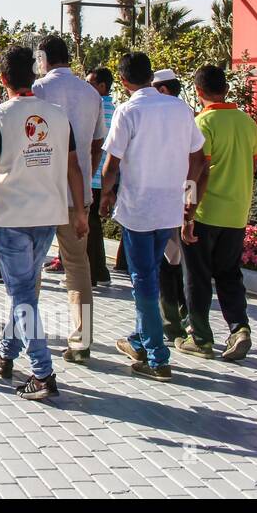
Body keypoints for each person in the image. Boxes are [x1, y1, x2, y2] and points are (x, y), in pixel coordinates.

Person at [0, 47, 87, 400]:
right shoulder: (56, 115)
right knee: (23, 291)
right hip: (49, 214)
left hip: (13, 216)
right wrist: (79, 210)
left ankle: (42, 372)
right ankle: (6, 353)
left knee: (21, 293)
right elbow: (72, 166)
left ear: (3, 79)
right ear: (34, 76)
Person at [100, 52, 205, 381]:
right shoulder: (180, 108)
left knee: (143, 281)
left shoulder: (128, 110)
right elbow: (199, 158)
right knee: (150, 276)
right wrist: (188, 197)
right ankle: (139, 340)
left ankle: (158, 356)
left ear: (124, 81)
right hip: (169, 209)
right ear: (150, 76)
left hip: (138, 210)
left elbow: (112, 164)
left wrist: (104, 194)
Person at [30, 35, 105, 363]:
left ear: (43, 58)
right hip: (78, 194)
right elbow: (96, 143)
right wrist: (84, 179)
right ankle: (81, 339)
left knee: (32, 265)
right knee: (78, 265)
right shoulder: (91, 93)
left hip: (41, 191)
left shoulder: (38, 90)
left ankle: (28, 334)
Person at [178, 65, 257, 362]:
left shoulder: (203, 123)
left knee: (197, 276)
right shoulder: (248, 123)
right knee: (229, 274)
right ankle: (239, 328)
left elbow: (196, 171)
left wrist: (187, 214)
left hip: (205, 212)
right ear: (225, 88)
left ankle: (199, 337)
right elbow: (251, 166)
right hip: (237, 213)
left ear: (198, 92)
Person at [152, 68, 192, 339]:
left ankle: (171, 322)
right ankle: (184, 315)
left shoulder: (164, 114)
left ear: (163, 89)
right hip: (183, 194)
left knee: (167, 260)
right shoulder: (186, 112)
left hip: (164, 196)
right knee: (178, 258)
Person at [85, 67, 115, 287]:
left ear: (102, 86)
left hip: (94, 175)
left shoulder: (97, 108)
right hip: (103, 176)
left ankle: (94, 273)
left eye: (90, 83)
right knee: (93, 225)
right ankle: (101, 271)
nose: (87, 87)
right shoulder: (113, 108)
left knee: (90, 227)